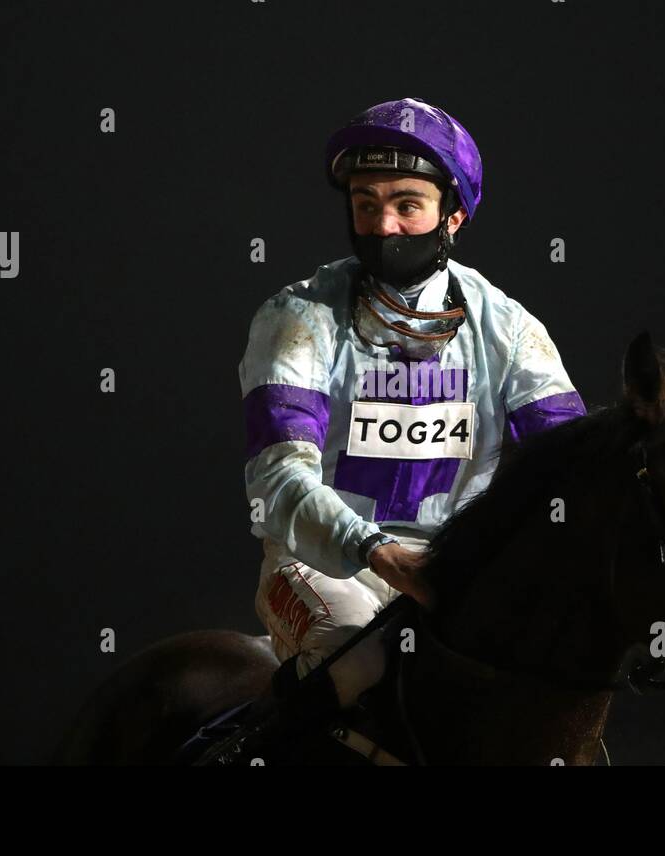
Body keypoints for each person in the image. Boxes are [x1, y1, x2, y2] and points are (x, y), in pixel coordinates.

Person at [233, 97, 586, 752]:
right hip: (321, 564)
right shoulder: (297, 317)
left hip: (453, 576)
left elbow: (574, 466)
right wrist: (381, 553)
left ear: (453, 213)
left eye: (406, 204)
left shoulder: (509, 329)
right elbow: (276, 480)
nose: (384, 226)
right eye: (366, 205)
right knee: (354, 659)